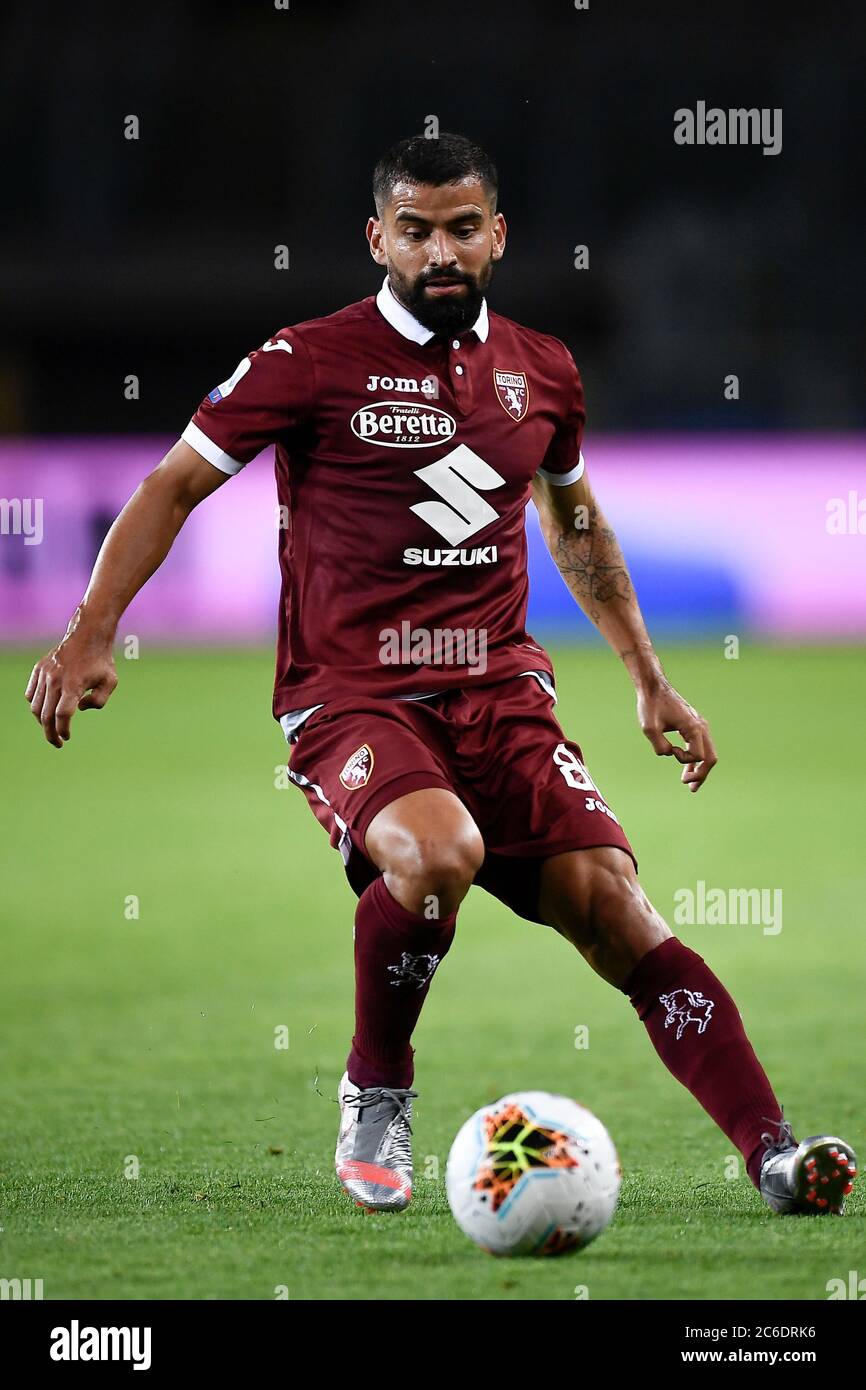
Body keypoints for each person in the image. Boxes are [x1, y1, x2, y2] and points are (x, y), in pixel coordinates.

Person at [26, 132, 856, 1218]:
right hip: (351, 694)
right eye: (413, 230)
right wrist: (93, 628)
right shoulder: (306, 361)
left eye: (462, 227)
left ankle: (773, 1156)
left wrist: (648, 678)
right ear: (378, 238)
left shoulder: (541, 368)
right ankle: (377, 1084)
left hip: (502, 693)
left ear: (496, 235)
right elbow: (175, 482)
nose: (439, 250)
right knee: (436, 854)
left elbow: (574, 524)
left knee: (615, 909)